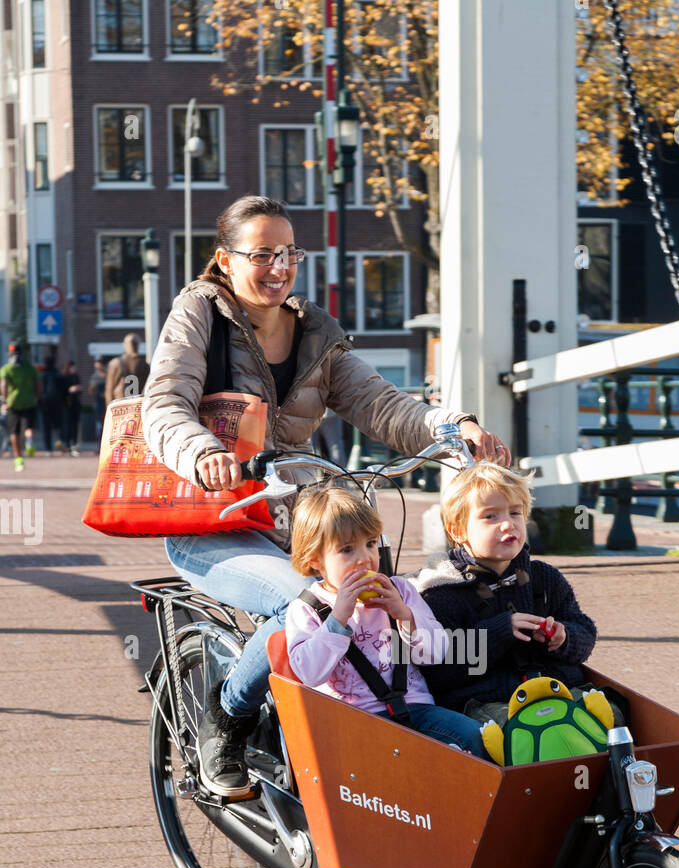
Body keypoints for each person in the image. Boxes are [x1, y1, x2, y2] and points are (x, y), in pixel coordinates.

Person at [141, 192, 509, 798]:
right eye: (262, 254)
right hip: (212, 522)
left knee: (383, 589)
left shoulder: (315, 334)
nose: (278, 267)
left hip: (297, 523)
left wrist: (452, 429)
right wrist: (203, 453)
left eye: (289, 253)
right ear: (225, 260)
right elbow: (165, 405)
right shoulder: (198, 316)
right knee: (298, 598)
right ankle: (226, 718)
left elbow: (382, 405)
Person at [280, 489, 487, 781]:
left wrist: (406, 616)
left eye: (370, 544)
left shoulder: (400, 590)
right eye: (347, 549)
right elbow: (310, 673)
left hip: (416, 710)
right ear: (315, 559)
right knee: (385, 776)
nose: (365, 559)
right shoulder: (308, 609)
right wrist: (338, 618)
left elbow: (437, 652)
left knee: (472, 738)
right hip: (355, 722)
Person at [415, 462, 599, 725]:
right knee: (513, 733)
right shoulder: (443, 592)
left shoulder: (544, 578)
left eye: (515, 513)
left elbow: (585, 631)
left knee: (615, 714)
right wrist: (499, 632)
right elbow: (441, 670)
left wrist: (563, 636)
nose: (507, 525)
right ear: (457, 531)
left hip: (555, 691)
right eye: (490, 516)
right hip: (490, 702)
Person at [0, 343, 40, 471]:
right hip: (29, 401)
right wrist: (35, 397)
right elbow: (38, 384)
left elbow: (3, 385)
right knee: (29, 427)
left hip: (13, 403)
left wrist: (5, 401)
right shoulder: (29, 368)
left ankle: (18, 460)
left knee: (14, 432)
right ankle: (29, 442)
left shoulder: (6, 369)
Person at [105, 333, 150, 403]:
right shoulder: (144, 365)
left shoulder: (115, 363)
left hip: (122, 405)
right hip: (136, 405)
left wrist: (109, 408)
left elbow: (109, 390)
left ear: (124, 345)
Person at [39, 351, 66, 454]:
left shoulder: (42, 375)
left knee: (46, 427)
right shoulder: (58, 375)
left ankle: (48, 449)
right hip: (57, 403)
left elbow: (38, 389)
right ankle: (60, 440)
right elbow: (64, 389)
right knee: (58, 425)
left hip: (45, 404)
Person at [62, 361, 82, 455]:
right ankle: (67, 445)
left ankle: (74, 445)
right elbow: (62, 391)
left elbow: (80, 390)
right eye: (72, 367)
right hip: (67, 405)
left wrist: (78, 389)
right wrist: (69, 390)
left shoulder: (76, 377)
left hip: (75, 405)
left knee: (75, 426)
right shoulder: (64, 377)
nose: (74, 369)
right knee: (67, 425)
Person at [89, 358, 108, 439]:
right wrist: (92, 389)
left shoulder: (108, 375)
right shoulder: (94, 377)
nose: (98, 369)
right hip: (98, 402)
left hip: (107, 402)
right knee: (99, 423)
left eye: (99, 367)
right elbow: (91, 391)